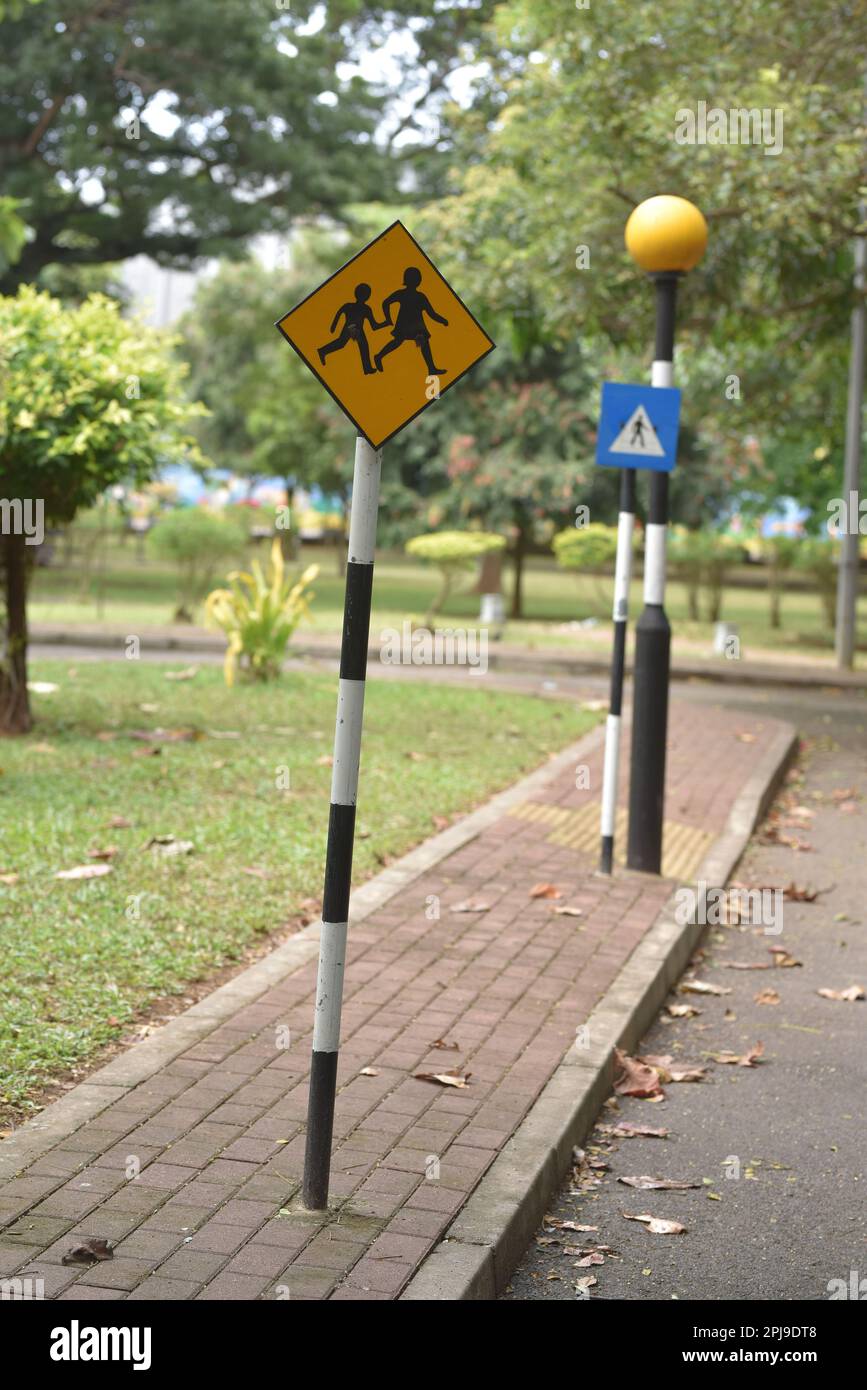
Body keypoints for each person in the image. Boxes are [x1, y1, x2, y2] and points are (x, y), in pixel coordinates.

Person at [374, 267, 448, 376]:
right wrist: (388, 318)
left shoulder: (418, 296)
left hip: (416, 327)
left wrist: (443, 320)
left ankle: (431, 368)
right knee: (399, 341)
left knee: (421, 342)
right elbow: (385, 302)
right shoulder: (407, 294)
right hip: (407, 325)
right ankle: (379, 356)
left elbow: (431, 313)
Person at [317, 284, 386, 375]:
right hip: (353, 328)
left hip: (354, 328)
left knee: (343, 343)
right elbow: (339, 313)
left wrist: (385, 324)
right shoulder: (355, 307)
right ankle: (367, 368)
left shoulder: (363, 308)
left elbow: (374, 326)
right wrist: (333, 326)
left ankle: (323, 351)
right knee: (360, 345)